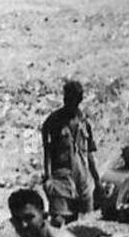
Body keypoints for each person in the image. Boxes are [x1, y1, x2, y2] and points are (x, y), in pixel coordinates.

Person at [41, 80, 100, 227]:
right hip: (61, 177)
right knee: (58, 224)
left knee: (86, 225)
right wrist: (48, 178)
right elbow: (47, 151)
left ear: (79, 100)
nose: (67, 102)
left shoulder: (84, 122)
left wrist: (97, 180)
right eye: (66, 98)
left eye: (72, 99)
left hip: (82, 179)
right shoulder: (52, 122)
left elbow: (90, 154)